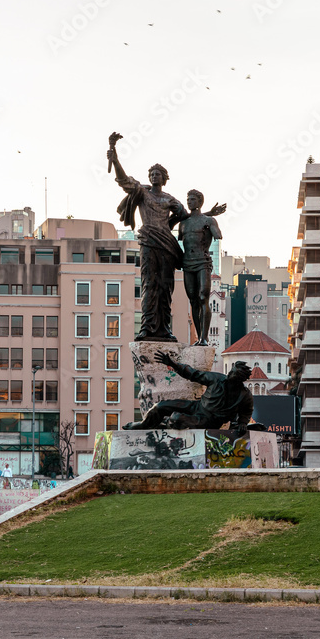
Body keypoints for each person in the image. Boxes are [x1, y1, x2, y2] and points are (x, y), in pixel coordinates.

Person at [107, 135, 186, 341]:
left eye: (158, 173)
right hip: (149, 241)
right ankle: (148, 327)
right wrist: (115, 159)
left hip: (167, 244)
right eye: (151, 173)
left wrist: (181, 214)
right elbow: (123, 181)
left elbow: (184, 213)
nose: (154, 176)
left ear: (164, 177)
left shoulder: (169, 198)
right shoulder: (142, 192)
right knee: (150, 284)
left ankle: (164, 328)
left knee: (166, 286)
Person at [123, 351, 254, 433]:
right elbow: (194, 374)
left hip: (209, 420)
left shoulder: (244, 395)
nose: (229, 374)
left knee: (176, 419)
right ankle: (143, 425)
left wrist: (243, 423)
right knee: (160, 407)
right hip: (197, 406)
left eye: (233, 374)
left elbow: (247, 411)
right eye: (231, 371)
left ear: (239, 379)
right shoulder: (217, 378)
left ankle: (164, 426)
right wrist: (173, 364)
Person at [178, 189, 225, 346]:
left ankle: (205, 338)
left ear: (199, 202)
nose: (189, 201)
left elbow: (218, 235)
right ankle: (199, 337)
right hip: (187, 263)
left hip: (203, 262)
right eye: (188, 199)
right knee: (193, 300)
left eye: (192, 199)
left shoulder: (208, 221)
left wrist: (211, 223)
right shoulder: (183, 223)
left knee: (203, 296)